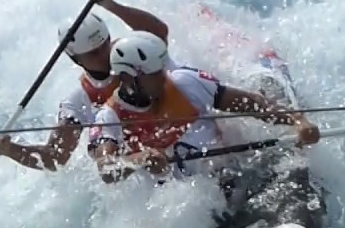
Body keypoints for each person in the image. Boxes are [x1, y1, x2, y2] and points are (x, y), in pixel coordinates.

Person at [0, 0, 179, 171]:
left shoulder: (133, 51)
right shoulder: (79, 101)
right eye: (94, 53)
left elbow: (159, 32)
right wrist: (9, 149)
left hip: (186, 129)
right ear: (76, 58)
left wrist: (111, 6)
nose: (105, 55)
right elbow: (55, 157)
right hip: (148, 161)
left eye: (105, 45)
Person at [86, 31, 321, 185]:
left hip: (233, 176)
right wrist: (139, 159)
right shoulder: (110, 117)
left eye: (161, 69)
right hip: (186, 206)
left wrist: (297, 121)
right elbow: (106, 168)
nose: (162, 77)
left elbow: (253, 104)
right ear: (128, 79)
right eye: (153, 74)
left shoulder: (184, 82)